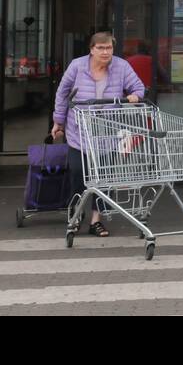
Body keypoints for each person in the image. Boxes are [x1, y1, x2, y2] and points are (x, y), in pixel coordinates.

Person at [50, 31, 146, 236]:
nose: (105, 52)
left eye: (109, 48)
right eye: (100, 48)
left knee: (104, 178)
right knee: (77, 174)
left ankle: (96, 221)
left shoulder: (121, 66)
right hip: (79, 132)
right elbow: (62, 93)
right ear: (91, 49)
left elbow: (138, 86)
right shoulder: (77, 66)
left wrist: (135, 95)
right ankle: (75, 215)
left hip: (107, 133)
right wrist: (58, 121)